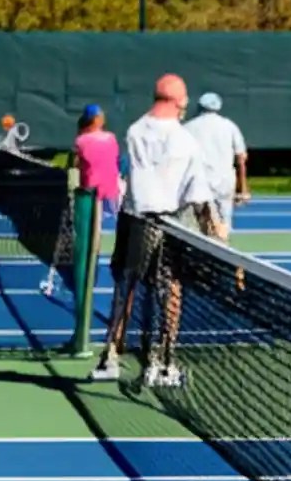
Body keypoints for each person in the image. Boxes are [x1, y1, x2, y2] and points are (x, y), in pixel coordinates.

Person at [89, 74, 224, 385]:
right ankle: (164, 362)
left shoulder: (134, 131)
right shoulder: (185, 141)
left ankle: (110, 356)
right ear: (180, 102)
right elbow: (198, 194)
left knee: (125, 287)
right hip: (168, 224)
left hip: (134, 218)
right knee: (171, 289)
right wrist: (216, 233)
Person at [182, 92, 249, 235]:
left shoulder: (188, 127)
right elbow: (241, 159)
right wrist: (242, 189)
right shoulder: (229, 126)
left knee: (198, 226)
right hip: (224, 183)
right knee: (224, 225)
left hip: (198, 184)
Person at [73, 103, 122, 233]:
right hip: (104, 195)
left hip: (93, 195)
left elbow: (76, 165)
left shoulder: (81, 141)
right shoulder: (111, 138)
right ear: (96, 120)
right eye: (101, 115)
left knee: (89, 231)